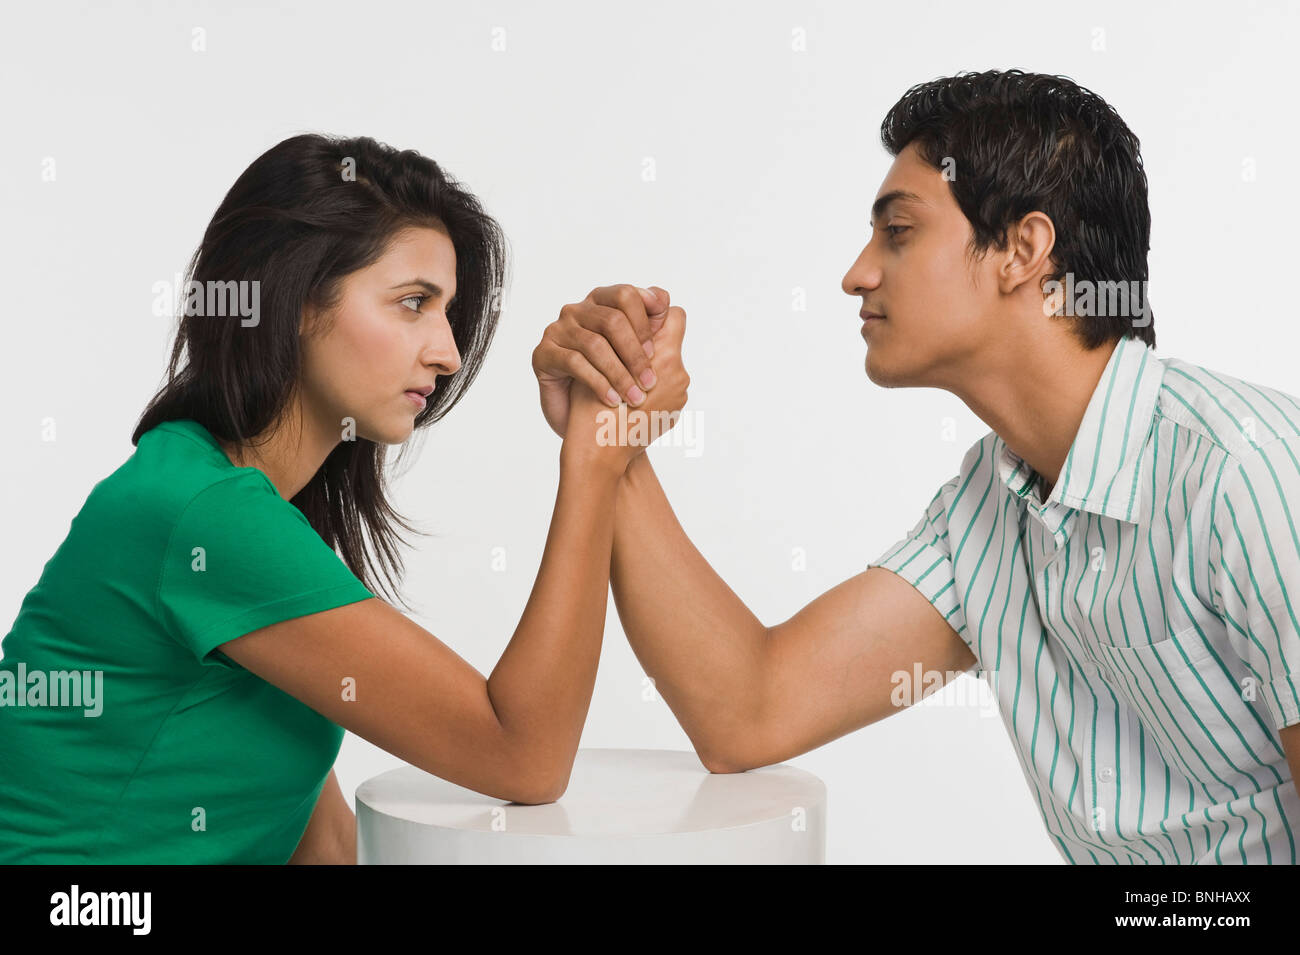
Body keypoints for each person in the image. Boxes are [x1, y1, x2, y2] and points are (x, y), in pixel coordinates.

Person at [530, 69, 1300, 863]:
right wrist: (610, 431)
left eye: (897, 231)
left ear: (1023, 251)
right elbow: (748, 712)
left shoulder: (1249, 476)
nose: (857, 274)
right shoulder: (993, 507)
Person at [0, 132, 690, 864]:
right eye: (413, 303)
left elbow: (319, 837)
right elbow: (525, 756)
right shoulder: (206, 514)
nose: (448, 352)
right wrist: (594, 456)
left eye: (448, 312)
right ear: (294, 301)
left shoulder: (242, 504)